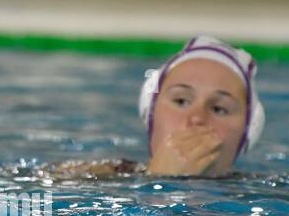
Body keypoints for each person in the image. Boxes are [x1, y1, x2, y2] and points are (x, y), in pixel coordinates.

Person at [53, 36, 265, 179]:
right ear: (150, 113)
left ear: (248, 132)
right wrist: (157, 180)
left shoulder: (261, 202)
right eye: (181, 101)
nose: (197, 118)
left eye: (219, 109)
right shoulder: (94, 177)